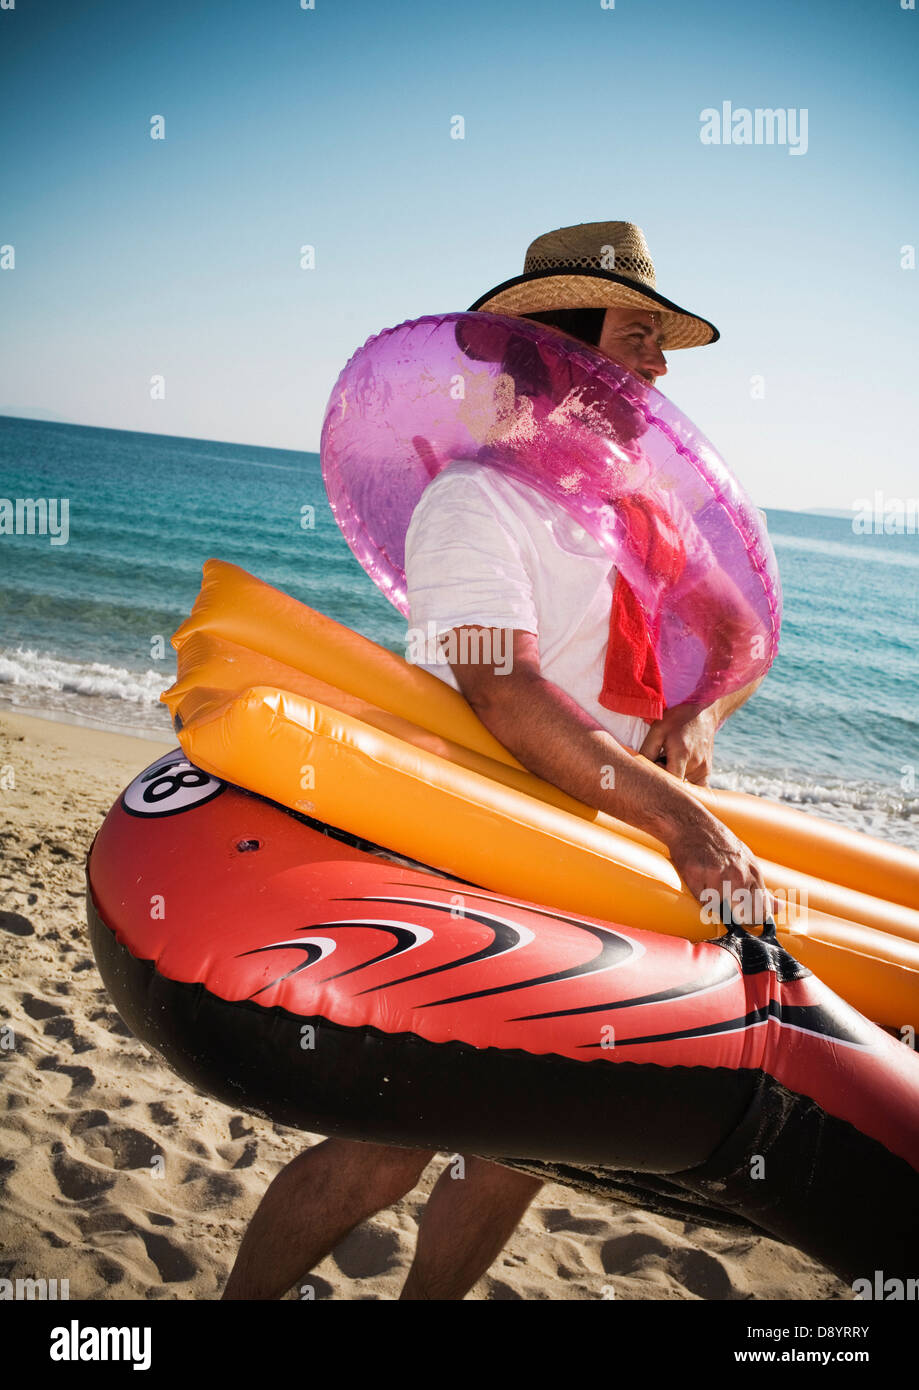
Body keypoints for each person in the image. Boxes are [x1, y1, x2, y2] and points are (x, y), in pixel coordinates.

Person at [222, 220, 771, 1302]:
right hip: (476, 864)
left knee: (515, 1151)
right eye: (639, 333)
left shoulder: (639, 508)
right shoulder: (472, 502)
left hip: (597, 872)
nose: (660, 365)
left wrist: (702, 708)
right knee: (386, 1146)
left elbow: (736, 632)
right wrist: (685, 824)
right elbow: (503, 689)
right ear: (560, 347)